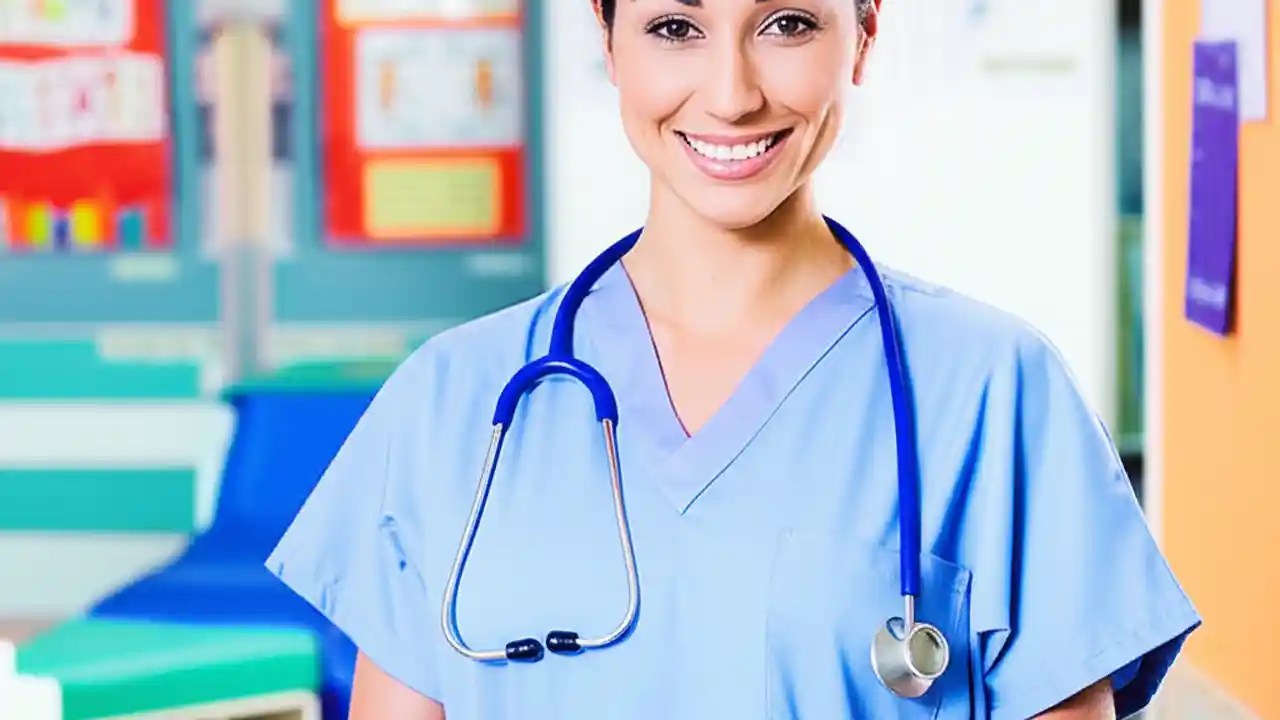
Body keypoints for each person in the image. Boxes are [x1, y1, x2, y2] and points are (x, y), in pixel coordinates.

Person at [265, 0, 1200, 717]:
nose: (731, 92)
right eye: (675, 26)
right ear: (608, 37)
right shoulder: (450, 399)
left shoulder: (995, 393)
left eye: (786, 23)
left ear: (865, 32)